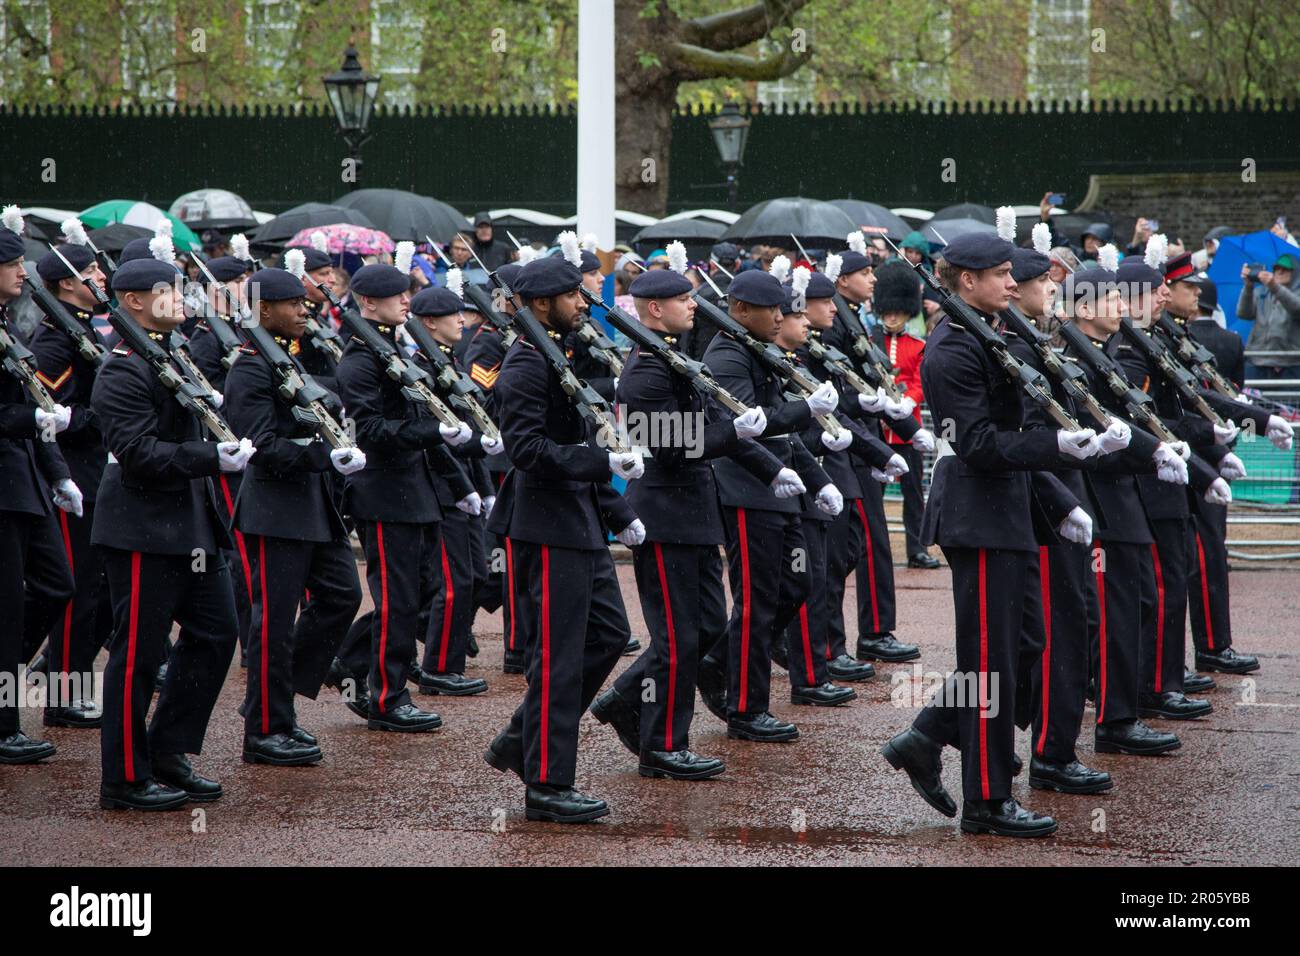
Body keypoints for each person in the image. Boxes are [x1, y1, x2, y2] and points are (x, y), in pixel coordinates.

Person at [882, 232, 1105, 837]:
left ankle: (927, 735)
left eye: (1013, 273)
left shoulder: (994, 334)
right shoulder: (951, 349)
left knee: (1022, 647)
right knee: (989, 662)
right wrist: (1056, 445)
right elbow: (978, 444)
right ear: (966, 281)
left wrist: (1058, 497)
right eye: (1001, 274)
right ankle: (986, 798)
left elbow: (1022, 425)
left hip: (1009, 512)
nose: (1013, 283)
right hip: (978, 517)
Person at [591, 264, 780, 778]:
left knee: (705, 631)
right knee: (678, 639)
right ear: (654, 308)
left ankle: (624, 701)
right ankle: (663, 745)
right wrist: (734, 433)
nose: (694, 306)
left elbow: (716, 427)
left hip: (694, 516)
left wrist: (773, 468)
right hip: (667, 517)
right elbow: (671, 444)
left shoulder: (673, 357)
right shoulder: (646, 370)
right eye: (684, 300)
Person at [481, 255, 645, 823]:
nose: (584, 303)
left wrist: (616, 507)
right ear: (543, 303)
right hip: (547, 529)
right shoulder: (526, 365)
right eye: (574, 295)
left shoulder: (560, 353)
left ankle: (521, 736)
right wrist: (603, 460)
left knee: (607, 634)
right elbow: (525, 451)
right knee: (558, 658)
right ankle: (547, 784)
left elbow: (575, 442)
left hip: (578, 523)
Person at [93, 256, 252, 810]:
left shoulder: (171, 354)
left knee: (215, 633)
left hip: (190, 525)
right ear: (133, 301)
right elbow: (136, 453)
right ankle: (125, 777)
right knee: (136, 654)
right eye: (167, 290)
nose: (180, 297)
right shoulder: (122, 368)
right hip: (142, 529)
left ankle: (168, 751)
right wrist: (211, 457)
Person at [223, 266, 365, 766]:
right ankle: (265, 729)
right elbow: (258, 445)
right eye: (294, 304)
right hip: (274, 509)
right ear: (264, 310)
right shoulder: (249, 364)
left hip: (311, 503)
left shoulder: (285, 355)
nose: (306, 311)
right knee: (273, 624)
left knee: (343, 595)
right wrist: (322, 455)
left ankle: (275, 696)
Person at [333, 262, 473, 732]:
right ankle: (388, 699)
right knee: (398, 600)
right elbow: (371, 430)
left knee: (421, 593)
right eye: (398, 296)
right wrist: (434, 430)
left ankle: (351, 659)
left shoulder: (390, 348)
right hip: (386, 495)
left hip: (415, 493)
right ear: (369, 303)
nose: (407, 302)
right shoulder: (359, 358)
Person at [701, 269, 838, 743]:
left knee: (796, 586)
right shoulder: (725, 355)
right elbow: (749, 427)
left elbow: (783, 434)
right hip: (748, 491)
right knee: (757, 603)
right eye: (772, 309)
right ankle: (745, 707)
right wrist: (808, 410)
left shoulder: (755, 350)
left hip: (779, 490)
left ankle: (718, 660)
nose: (781, 317)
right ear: (740, 310)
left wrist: (817, 480)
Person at [0, 213, 76, 764]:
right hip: (4, 486)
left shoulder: (6, 322)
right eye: (12, 263)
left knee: (56, 585)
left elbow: (32, 404)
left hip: (25, 479)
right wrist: (36, 424)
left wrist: (59, 472)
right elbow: (18, 413)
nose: (22, 273)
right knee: (6, 608)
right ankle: (4, 726)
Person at [29, 242, 112, 728]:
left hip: (98, 471)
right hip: (74, 475)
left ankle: (61, 674)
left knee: (98, 590)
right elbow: (55, 418)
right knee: (79, 590)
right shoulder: (55, 340)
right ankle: (63, 696)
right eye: (92, 272)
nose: (100, 279)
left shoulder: (80, 329)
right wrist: (110, 416)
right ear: (67, 283)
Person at [407, 284, 497, 697]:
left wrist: (483, 483)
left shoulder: (450, 361)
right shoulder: (421, 368)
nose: (462, 320)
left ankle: (445, 658)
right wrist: (463, 487)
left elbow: (465, 436)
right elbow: (435, 439)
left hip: (464, 485)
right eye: (453, 315)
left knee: (476, 576)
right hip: (442, 489)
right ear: (429, 322)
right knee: (452, 582)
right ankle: (440, 668)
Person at [870, 260, 935, 568]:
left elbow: (921, 381)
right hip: (878, 429)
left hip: (908, 431)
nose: (892, 316)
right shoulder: (871, 343)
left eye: (897, 311)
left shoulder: (917, 345)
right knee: (873, 494)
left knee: (913, 496)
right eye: (887, 311)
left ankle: (917, 550)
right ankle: (867, 546)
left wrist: (909, 402)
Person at [1237, 253, 1300, 381]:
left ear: (1295, 272)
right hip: (1257, 361)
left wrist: (1275, 287)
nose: (1280, 271)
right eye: (1277, 268)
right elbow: (1243, 313)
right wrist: (1248, 287)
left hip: (1291, 363)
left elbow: (1296, 308)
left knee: (1287, 401)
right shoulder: (1261, 292)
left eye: (1285, 269)